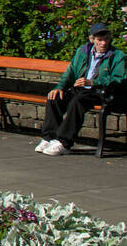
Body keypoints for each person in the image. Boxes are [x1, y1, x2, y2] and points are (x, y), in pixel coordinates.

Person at [38, 23, 126, 156]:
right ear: (92, 39)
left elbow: (118, 79)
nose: (103, 43)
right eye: (99, 40)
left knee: (78, 101)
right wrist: (59, 87)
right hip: (81, 88)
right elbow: (71, 72)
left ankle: (64, 142)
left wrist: (93, 82)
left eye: (106, 39)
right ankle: (49, 137)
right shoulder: (83, 51)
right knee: (55, 97)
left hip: (102, 91)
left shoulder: (118, 55)